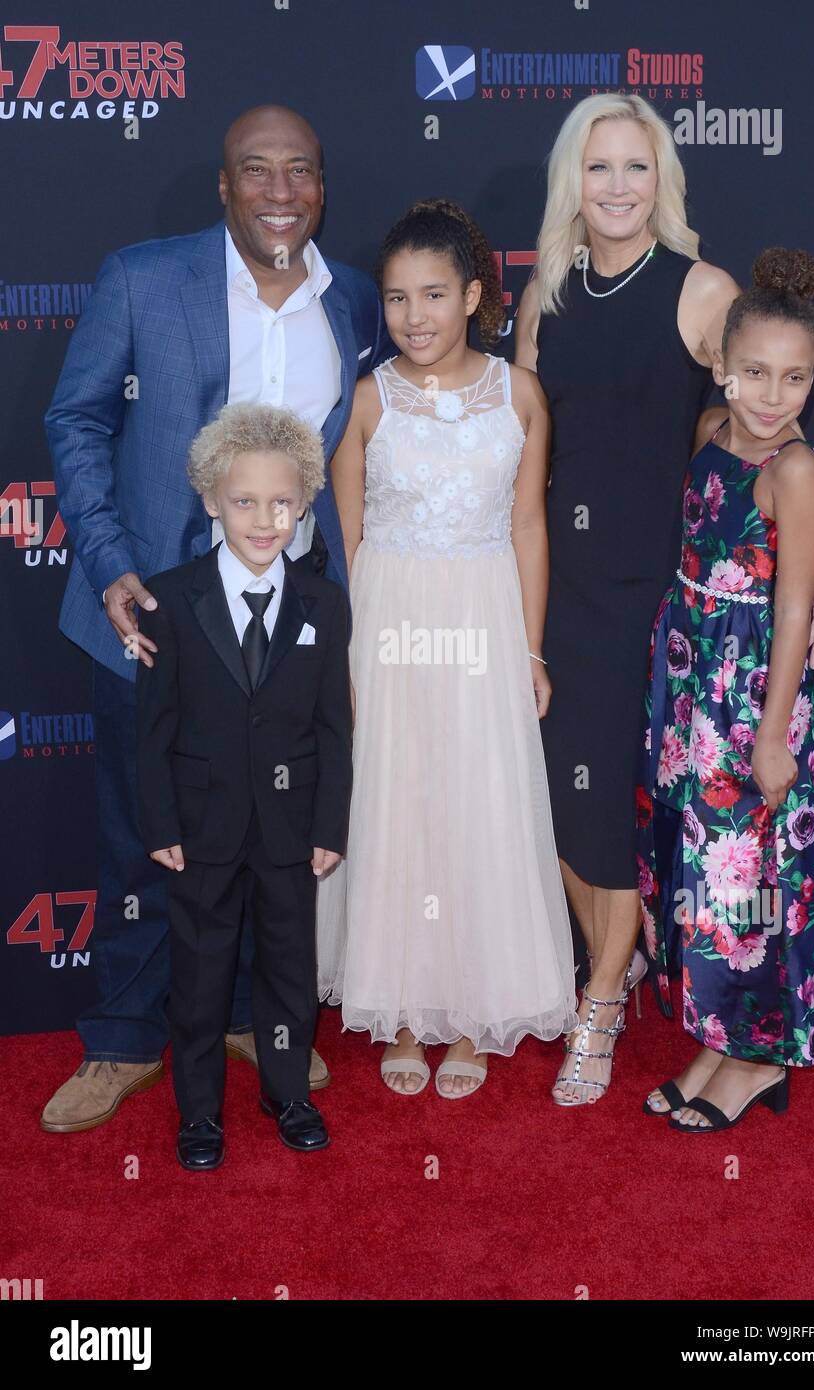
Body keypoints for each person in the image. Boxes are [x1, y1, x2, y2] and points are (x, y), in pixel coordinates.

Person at [42, 104, 392, 1133]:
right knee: (141, 834)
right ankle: (121, 1036)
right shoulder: (142, 277)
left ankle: (250, 1016)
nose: (280, 191)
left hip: (283, 625)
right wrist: (109, 562)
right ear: (223, 185)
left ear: (322, 185)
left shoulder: (355, 301)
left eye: (300, 170)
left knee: (267, 829)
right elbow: (76, 418)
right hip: (152, 608)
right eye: (256, 170)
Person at [514, 94, 814, 1106]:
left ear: (663, 182)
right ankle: (636, 964)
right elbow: (523, 451)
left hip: (667, 600)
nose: (616, 187)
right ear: (574, 179)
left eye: (636, 168)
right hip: (561, 587)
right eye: (599, 168)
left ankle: (602, 997)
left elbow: (764, 438)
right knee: (566, 807)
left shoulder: (700, 290)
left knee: (628, 813)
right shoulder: (544, 297)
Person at [316, 199, 577, 1097]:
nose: (414, 317)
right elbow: (343, 546)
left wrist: (533, 653)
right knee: (398, 801)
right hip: (388, 621)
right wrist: (342, 660)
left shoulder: (521, 394)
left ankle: (469, 1014)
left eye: (433, 294)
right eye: (395, 299)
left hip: (483, 620)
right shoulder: (364, 402)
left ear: (473, 295)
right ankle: (396, 1004)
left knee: (477, 803)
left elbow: (530, 529)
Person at [639, 249, 814, 1132]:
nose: (773, 395)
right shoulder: (711, 432)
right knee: (701, 871)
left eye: (795, 378)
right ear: (722, 367)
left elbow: (794, 610)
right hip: (690, 685)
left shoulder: (794, 471)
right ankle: (719, 1040)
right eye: (755, 372)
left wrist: (771, 738)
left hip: (754, 695)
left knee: (747, 882)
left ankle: (757, 1057)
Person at [136, 402, 352, 1169]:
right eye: (245, 502)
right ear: (209, 500)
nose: (265, 520)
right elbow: (153, 729)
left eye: (283, 503)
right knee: (199, 971)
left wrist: (331, 826)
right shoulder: (169, 600)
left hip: (293, 829)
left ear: (305, 503)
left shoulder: (325, 603)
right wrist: (160, 822)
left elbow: (334, 727)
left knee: (290, 965)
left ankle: (287, 1089)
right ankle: (199, 1112)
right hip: (201, 827)